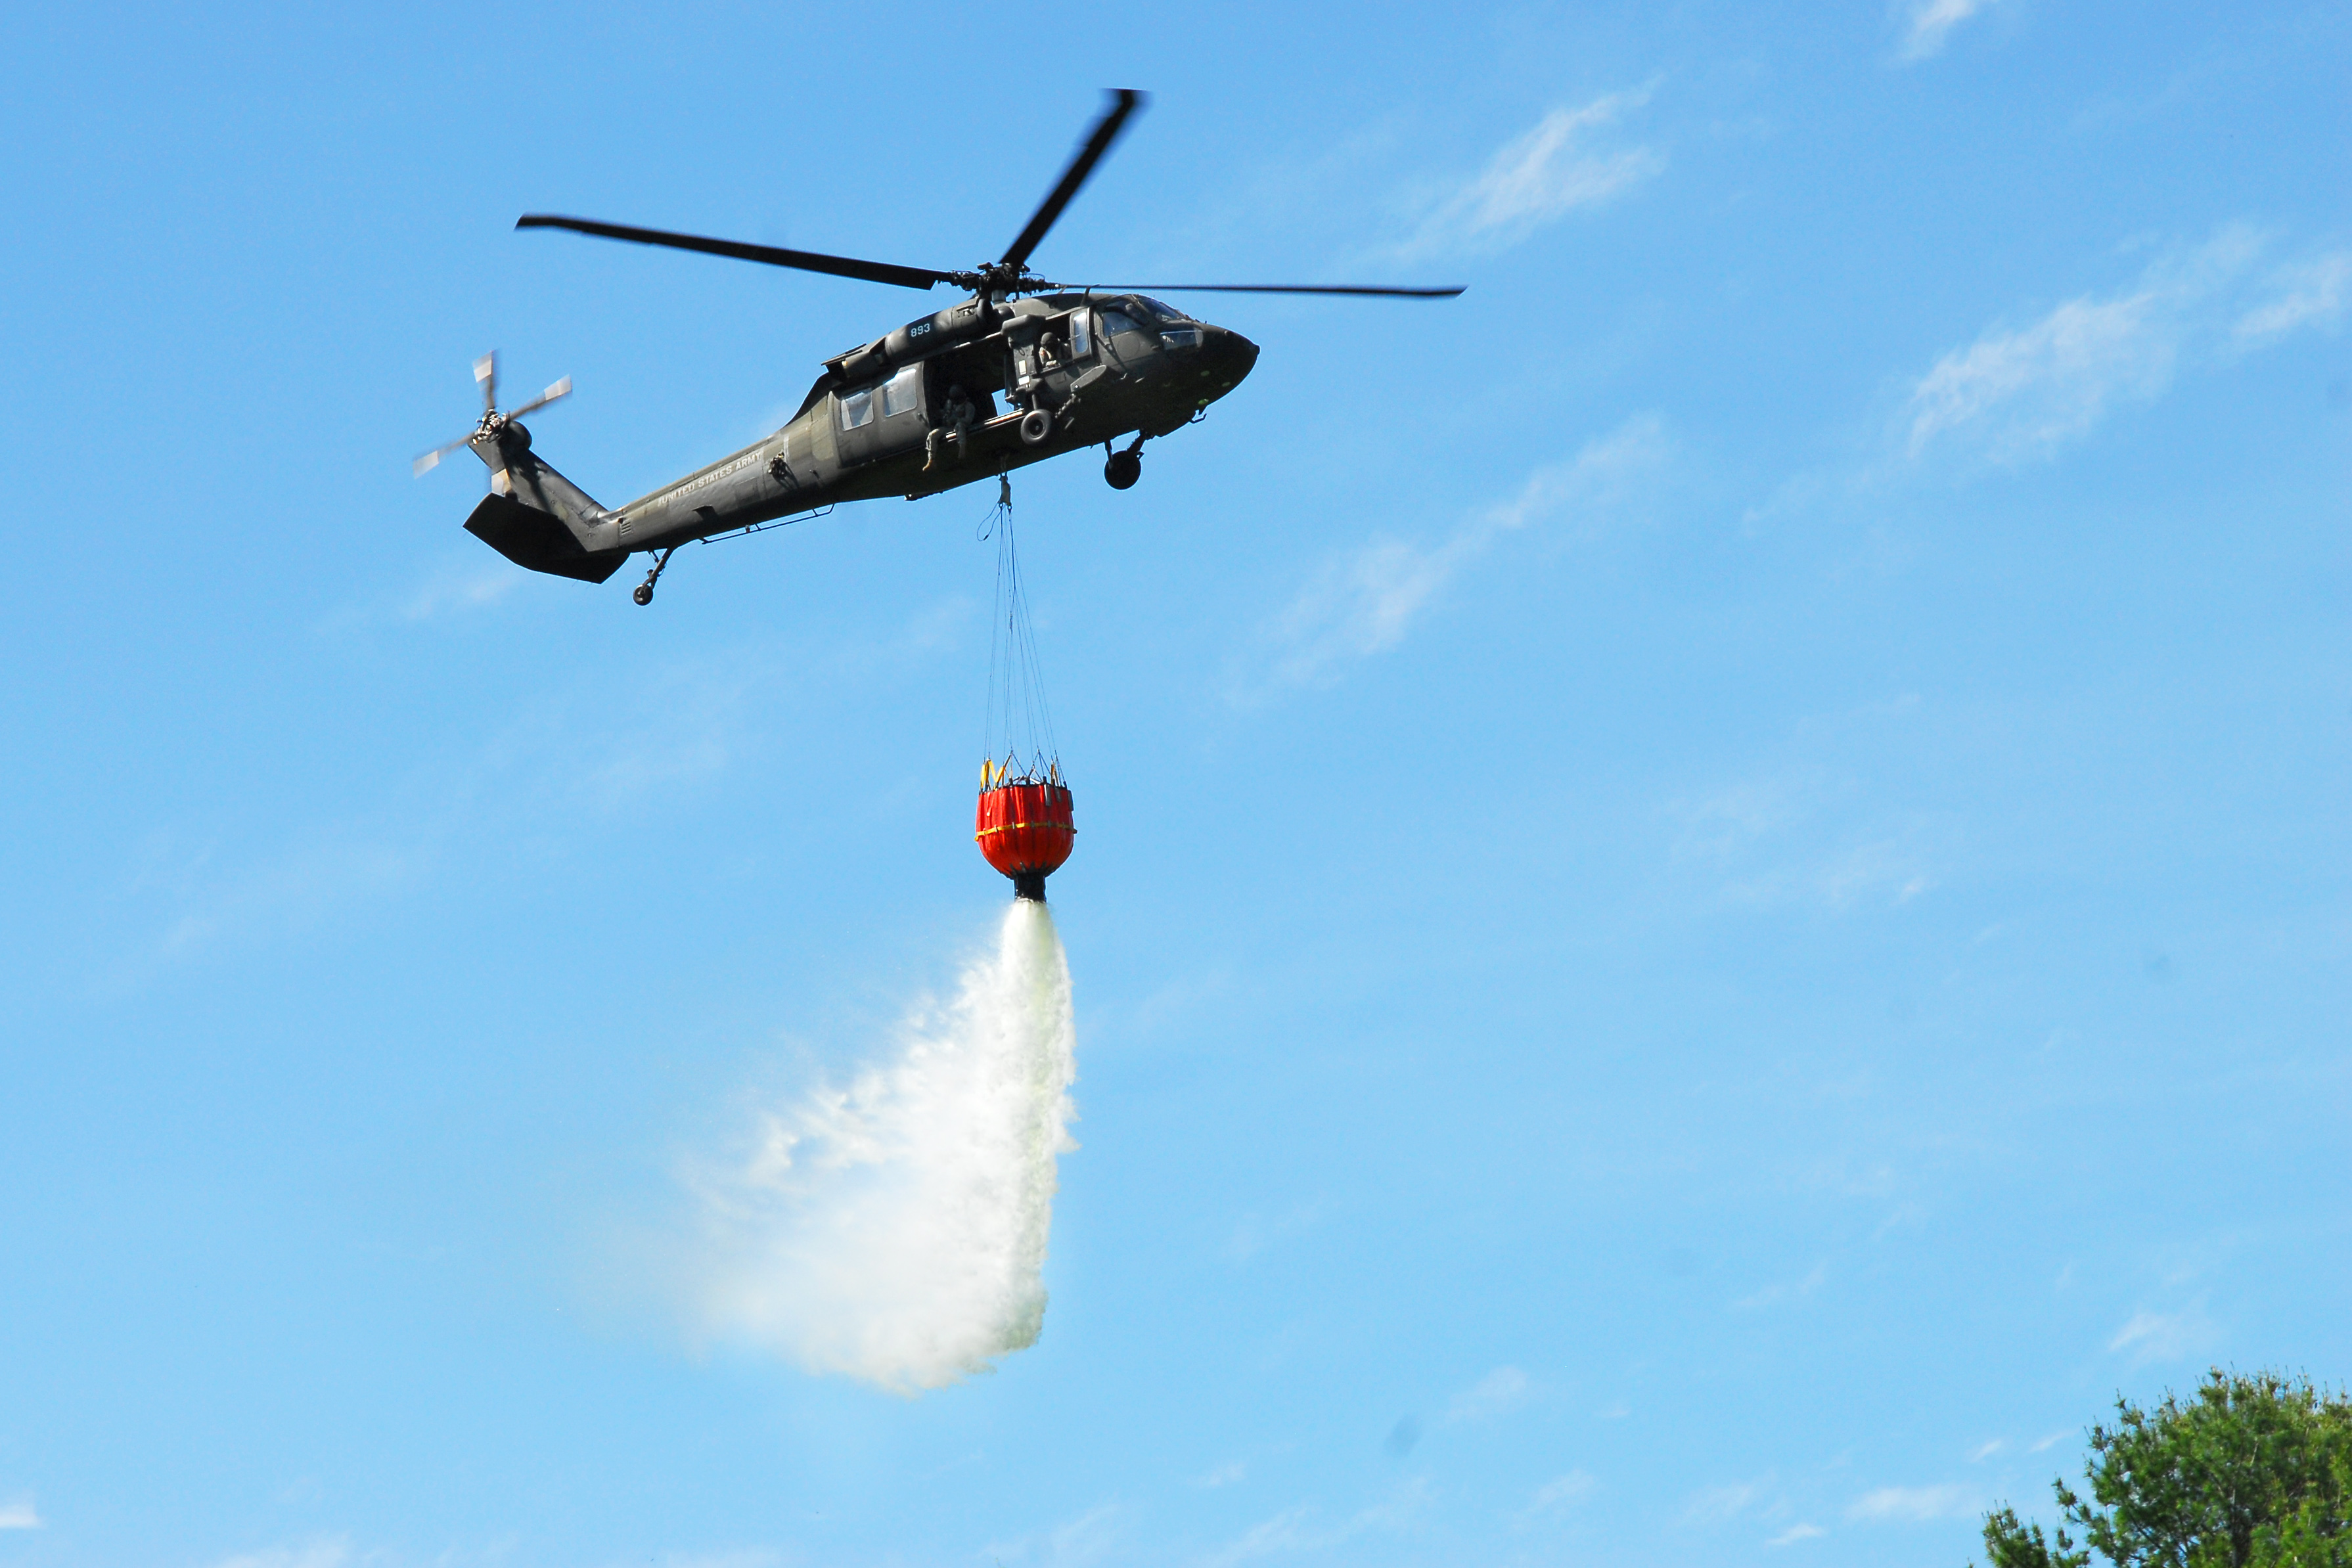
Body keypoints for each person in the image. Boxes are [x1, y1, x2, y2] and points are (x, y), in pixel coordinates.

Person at [925, 384, 978, 472]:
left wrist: (957, 419)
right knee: (932, 435)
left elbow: (968, 420)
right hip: (948, 428)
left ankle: (962, 450)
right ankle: (931, 459)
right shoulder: (950, 404)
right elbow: (945, 413)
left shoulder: (969, 406)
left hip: (962, 428)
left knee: (959, 426)